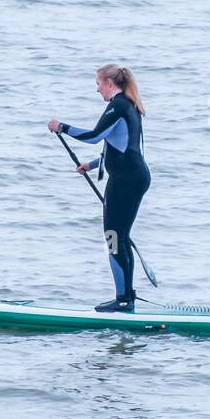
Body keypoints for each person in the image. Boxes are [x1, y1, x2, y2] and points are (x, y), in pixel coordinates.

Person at [48, 65, 150, 312]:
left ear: (109, 82)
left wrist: (62, 127)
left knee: (114, 238)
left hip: (125, 181)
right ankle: (126, 297)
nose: (97, 89)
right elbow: (118, 145)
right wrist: (93, 165)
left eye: (98, 84)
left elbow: (95, 136)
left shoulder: (118, 105)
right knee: (120, 238)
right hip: (134, 177)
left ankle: (123, 300)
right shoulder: (129, 104)